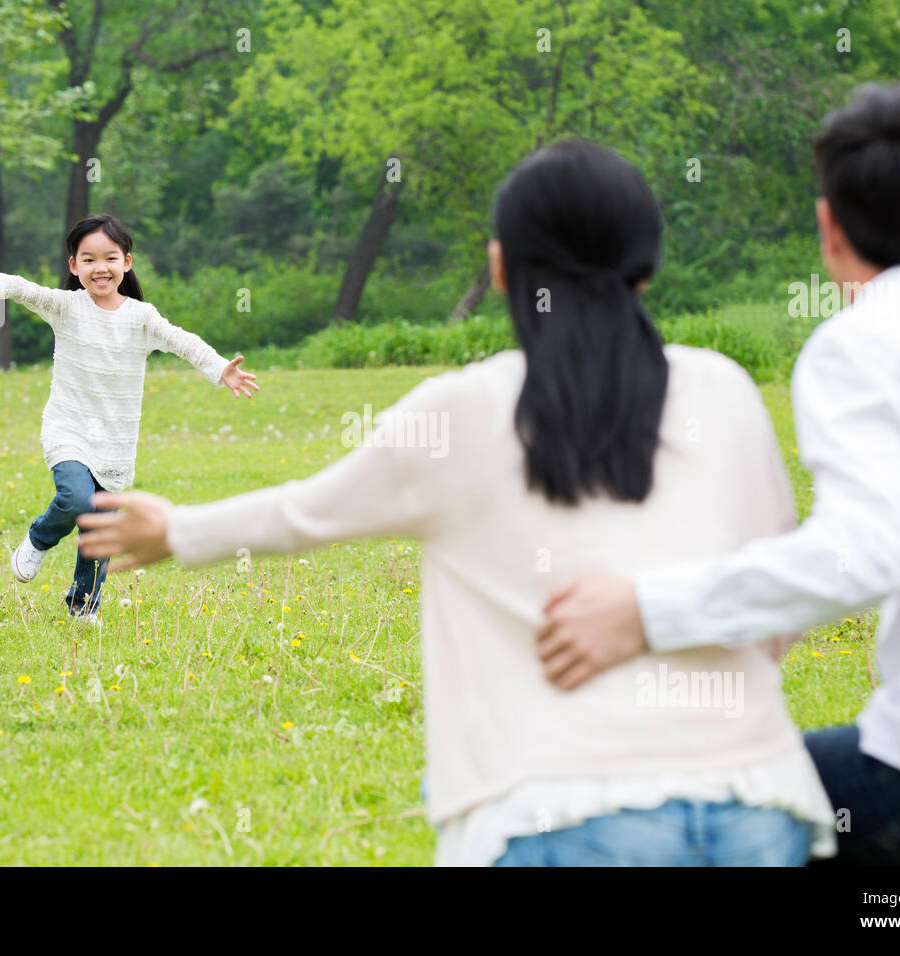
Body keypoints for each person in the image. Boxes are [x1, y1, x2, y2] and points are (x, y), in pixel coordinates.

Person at [77, 140, 836, 866]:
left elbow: (305, 513)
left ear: (501, 268)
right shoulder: (725, 390)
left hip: (558, 818)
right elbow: (780, 604)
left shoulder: (460, 410)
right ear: (647, 263)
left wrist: (176, 530)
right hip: (760, 809)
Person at [535, 84, 900, 865]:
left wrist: (644, 609)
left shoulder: (862, 342)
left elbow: (863, 555)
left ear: (827, 227)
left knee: (704, 806)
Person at [0, 214, 259, 625]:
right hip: (68, 427)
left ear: (126, 262)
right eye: (88, 259)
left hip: (115, 438)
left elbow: (183, 341)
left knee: (100, 529)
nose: (100, 268)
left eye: (109, 258)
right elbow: (27, 290)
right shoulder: (66, 306)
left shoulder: (141, 317)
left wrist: (221, 369)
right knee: (77, 499)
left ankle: (82, 608)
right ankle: (40, 537)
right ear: (74, 266)